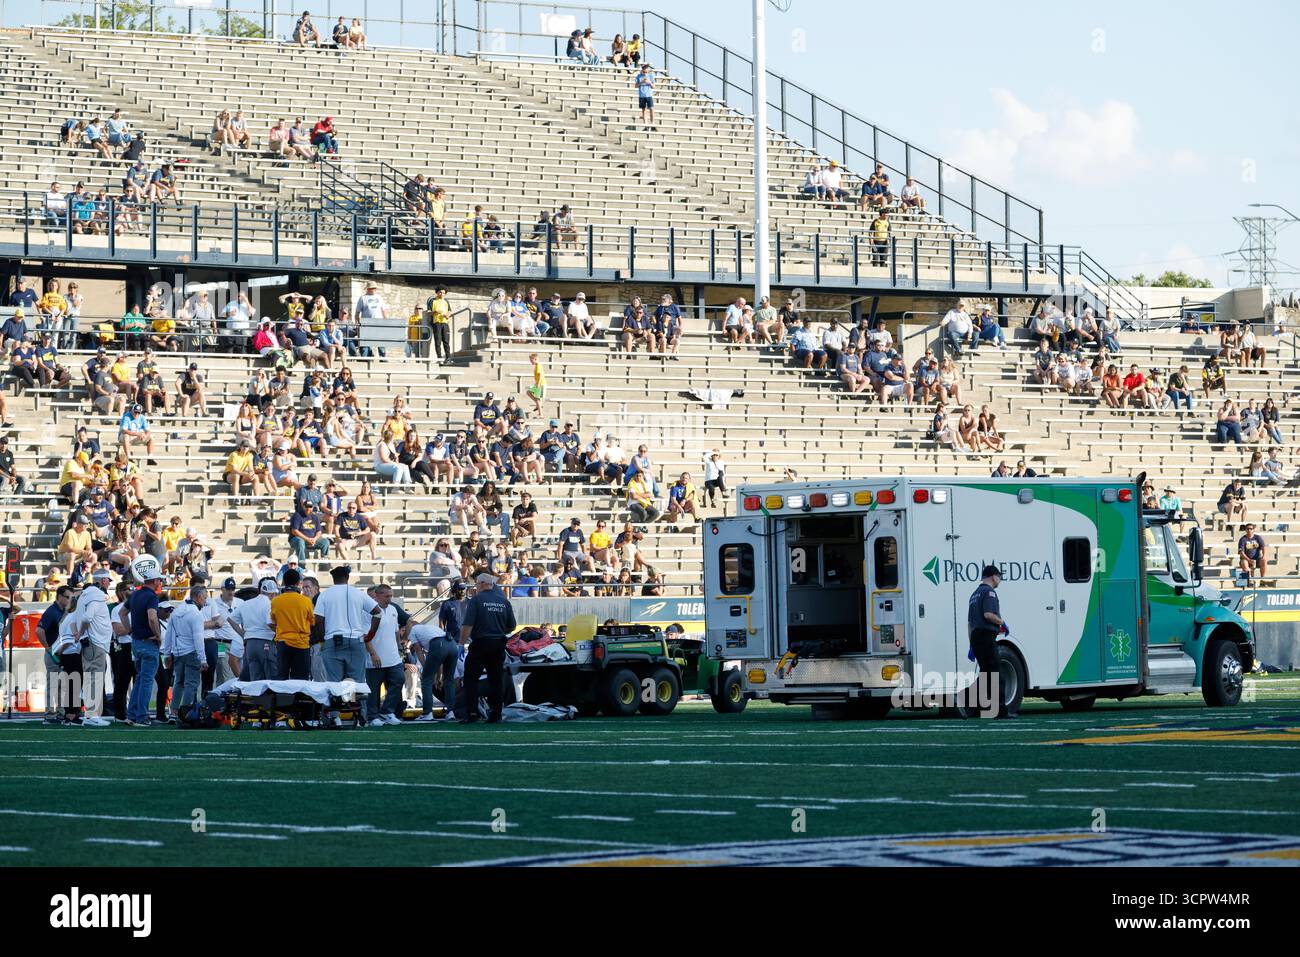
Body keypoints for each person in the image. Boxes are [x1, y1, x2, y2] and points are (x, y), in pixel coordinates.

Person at [314, 565, 378, 713]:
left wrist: (323, 639)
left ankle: (334, 715)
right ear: (347, 577)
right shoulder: (358, 593)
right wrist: (370, 634)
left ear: (333, 578)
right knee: (357, 681)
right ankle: (360, 714)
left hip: (332, 640)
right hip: (356, 639)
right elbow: (377, 613)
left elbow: (318, 620)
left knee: (334, 682)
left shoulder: (325, 594)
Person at [458, 572, 517, 723]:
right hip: (498, 644)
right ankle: (496, 713)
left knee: (471, 678)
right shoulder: (504, 601)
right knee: (496, 680)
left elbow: (468, 625)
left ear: (482, 584)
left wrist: (460, 644)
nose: (476, 588)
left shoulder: (476, 600)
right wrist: (496, 630)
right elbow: (512, 626)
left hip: (480, 644)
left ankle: (472, 713)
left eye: (477, 585)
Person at [966, 564, 1011, 718]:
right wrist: (1001, 622)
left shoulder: (974, 594)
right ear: (993, 576)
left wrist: (971, 644)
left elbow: (970, 623)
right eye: (1000, 576)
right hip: (986, 636)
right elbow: (988, 614)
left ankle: (973, 708)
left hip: (976, 637)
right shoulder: (989, 592)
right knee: (996, 674)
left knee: (985, 673)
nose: (1000, 580)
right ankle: (999, 710)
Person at [125, 556, 165, 726]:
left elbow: (121, 613)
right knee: (146, 680)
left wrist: (129, 629)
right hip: (148, 642)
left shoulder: (135, 595)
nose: (160, 583)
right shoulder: (151, 597)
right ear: (154, 580)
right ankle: (141, 716)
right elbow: (152, 617)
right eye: (159, 580)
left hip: (136, 642)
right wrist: (158, 635)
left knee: (141, 679)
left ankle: (132, 714)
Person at [163, 584, 210, 722]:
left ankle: (173, 713)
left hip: (178, 653)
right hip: (191, 652)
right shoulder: (196, 614)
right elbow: (198, 638)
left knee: (179, 682)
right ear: (199, 597)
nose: (205, 601)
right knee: (191, 684)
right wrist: (203, 659)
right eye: (205, 597)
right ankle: (185, 714)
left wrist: (167, 653)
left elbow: (169, 634)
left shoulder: (177, 611)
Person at [229, 577, 280, 681]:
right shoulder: (270, 604)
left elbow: (231, 619)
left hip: (250, 644)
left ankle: (257, 698)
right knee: (272, 678)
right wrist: (280, 633)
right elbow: (270, 623)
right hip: (266, 642)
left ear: (260, 591)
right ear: (272, 594)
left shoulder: (246, 603)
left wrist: (243, 634)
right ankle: (269, 698)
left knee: (255, 679)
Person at [270, 568, 314, 680]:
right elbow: (312, 621)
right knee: (301, 679)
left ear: (284, 582)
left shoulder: (275, 601)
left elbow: (274, 621)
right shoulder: (306, 601)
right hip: (301, 643)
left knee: (282, 678)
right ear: (299, 582)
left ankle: (283, 698)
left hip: (282, 643)